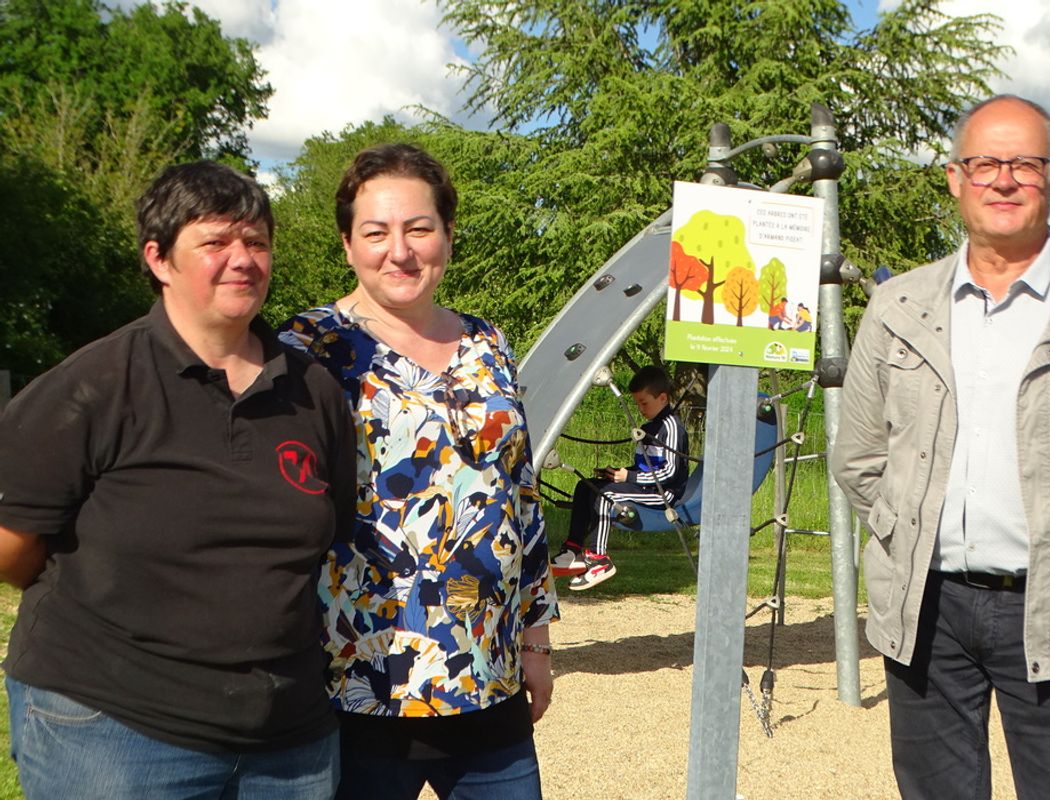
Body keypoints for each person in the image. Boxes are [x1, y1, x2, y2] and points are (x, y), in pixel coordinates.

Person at [831, 95, 1050, 800]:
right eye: (985, 163)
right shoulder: (899, 308)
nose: (1003, 180)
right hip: (926, 608)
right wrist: (905, 534)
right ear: (954, 178)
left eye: (1023, 164)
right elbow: (860, 456)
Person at [0, 161, 356, 799]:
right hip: (114, 730)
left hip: (289, 741)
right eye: (215, 243)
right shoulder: (93, 386)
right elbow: (12, 546)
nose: (242, 259)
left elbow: (327, 537)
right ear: (159, 260)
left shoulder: (314, 393)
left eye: (256, 242)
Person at [278, 142, 557, 799]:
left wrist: (536, 641)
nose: (399, 250)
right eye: (376, 232)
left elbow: (519, 495)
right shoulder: (307, 349)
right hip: (357, 688)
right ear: (348, 244)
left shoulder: (487, 344)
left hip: (488, 679)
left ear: (449, 237)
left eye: (419, 229)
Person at [551, 365, 689, 591]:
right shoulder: (647, 427)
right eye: (637, 404)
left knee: (606, 496)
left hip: (664, 494)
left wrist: (630, 476)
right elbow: (642, 467)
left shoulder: (671, 427)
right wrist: (617, 473)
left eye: (644, 403)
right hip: (646, 486)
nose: (640, 408)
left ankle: (599, 559)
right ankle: (572, 549)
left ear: (662, 398)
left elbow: (670, 473)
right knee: (586, 487)